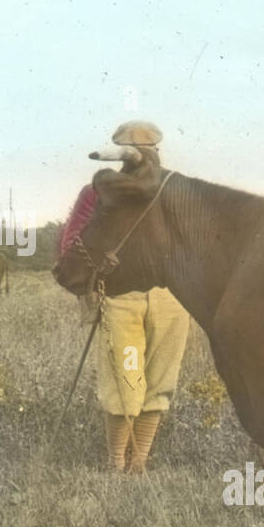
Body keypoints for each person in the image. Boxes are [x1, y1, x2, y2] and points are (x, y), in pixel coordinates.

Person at [59, 121, 190, 474]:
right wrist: (103, 263)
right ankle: (116, 463)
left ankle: (140, 462)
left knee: (160, 382)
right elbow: (71, 244)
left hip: (170, 300)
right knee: (126, 380)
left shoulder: (172, 193)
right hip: (120, 299)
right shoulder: (96, 195)